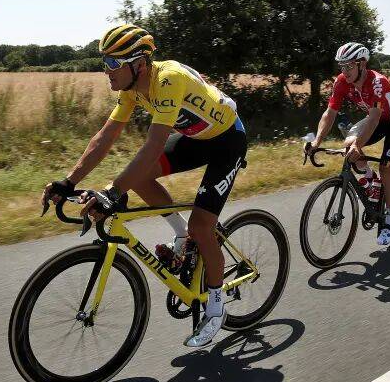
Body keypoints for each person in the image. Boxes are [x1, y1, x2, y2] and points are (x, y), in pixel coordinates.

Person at [41, 24, 246, 349]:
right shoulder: (132, 89)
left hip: (227, 141)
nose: (106, 70)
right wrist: (69, 182)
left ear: (138, 64)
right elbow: (105, 137)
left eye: (112, 63)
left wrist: (113, 192)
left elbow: (153, 145)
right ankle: (181, 234)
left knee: (203, 226)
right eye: (104, 62)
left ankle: (216, 307)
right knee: (141, 179)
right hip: (196, 138)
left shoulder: (168, 79)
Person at [309, 42, 390, 247]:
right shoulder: (341, 82)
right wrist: (316, 141)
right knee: (348, 144)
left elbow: (374, 118)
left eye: (349, 66)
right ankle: (372, 180)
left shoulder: (378, 82)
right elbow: (330, 113)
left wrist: (359, 145)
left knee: (387, 169)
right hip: (375, 119)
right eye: (342, 66)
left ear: (362, 64)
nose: (344, 71)